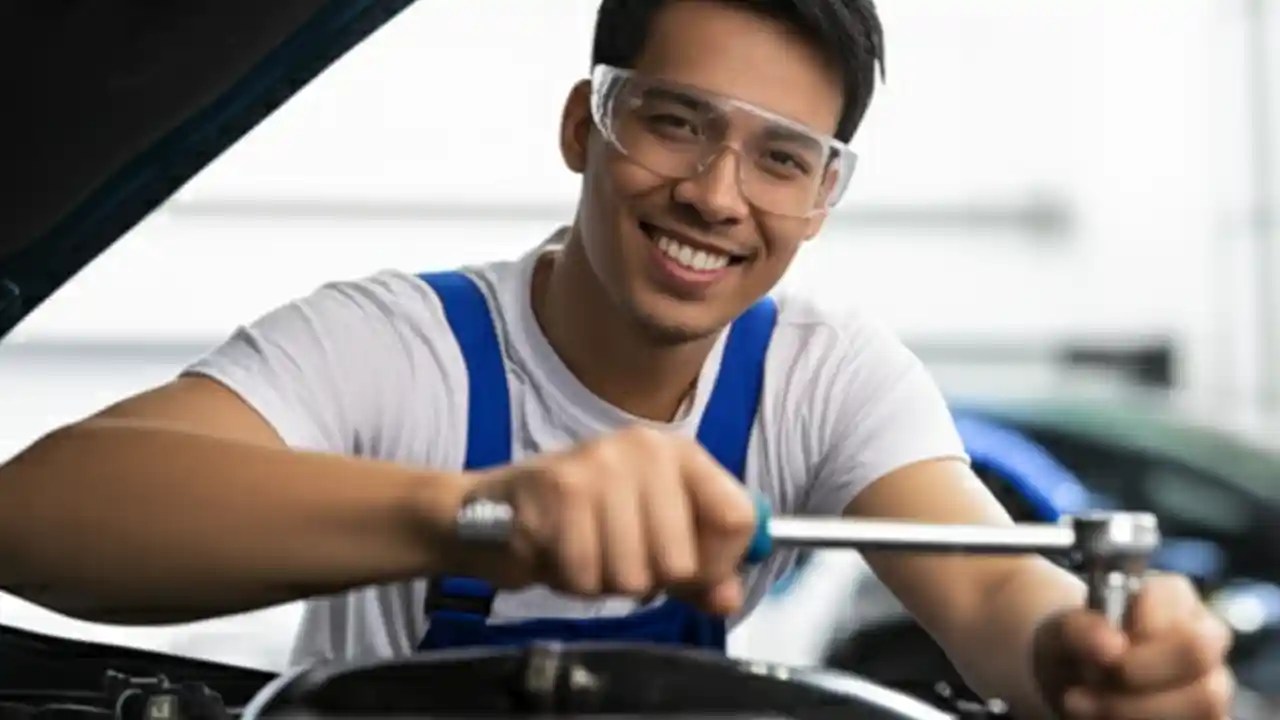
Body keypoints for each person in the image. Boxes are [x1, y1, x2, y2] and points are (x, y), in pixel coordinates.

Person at [0, 0, 1235, 716]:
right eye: (673, 122)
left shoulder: (827, 374)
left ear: (819, 200)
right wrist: (482, 513)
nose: (713, 195)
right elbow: (36, 517)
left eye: (780, 158)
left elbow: (989, 595)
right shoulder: (394, 345)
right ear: (581, 131)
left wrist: (1086, 665)